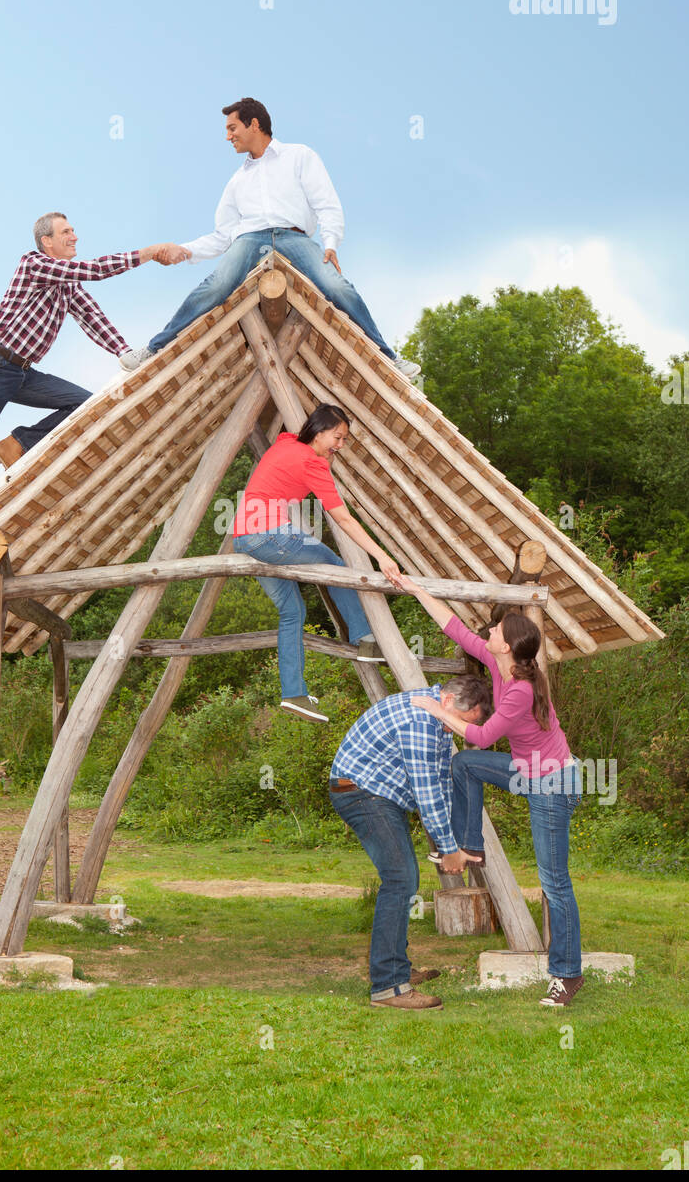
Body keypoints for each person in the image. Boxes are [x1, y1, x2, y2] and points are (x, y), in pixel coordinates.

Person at [0, 214, 174, 551]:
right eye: (67, 232)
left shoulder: (67, 285)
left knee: (84, 403)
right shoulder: (34, 264)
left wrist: (126, 352)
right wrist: (147, 253)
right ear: (47, 241)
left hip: (20, 372)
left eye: (74, 230)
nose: (75, 236)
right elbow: (93, 271)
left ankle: (19, 444)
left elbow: (92, 317)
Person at [139, 98, 420, 378]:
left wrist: (331, 242)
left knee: (335, 286)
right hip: (249, 240)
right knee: (217, 286)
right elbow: (222, 235)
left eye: (232, 127)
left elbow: (327, 204)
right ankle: (154, 349)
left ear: (255, 124)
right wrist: (185, 251)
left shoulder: (300, 156)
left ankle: (389, 358)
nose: (228, 136)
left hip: (293, 238)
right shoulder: (237, 181)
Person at [402, 581, 585, 1010]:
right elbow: (454, 628)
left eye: (497, 629)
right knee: (463, 765)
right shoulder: (496, 661)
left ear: (508, 645)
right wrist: (413, 589)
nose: (489, 631)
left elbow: (482, 736)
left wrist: (439, 710)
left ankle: (567, 974)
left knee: (554, 883)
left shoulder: (521, 689)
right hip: (527, 772)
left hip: (554, 783)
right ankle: (472, 847)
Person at [330, 674, 493, 1010]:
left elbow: (443, 783)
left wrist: (454, 842)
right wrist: (448, 849)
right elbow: (427, 793)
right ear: (447, 701)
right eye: (460, 723)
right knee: (401, 879)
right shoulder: (420, 721)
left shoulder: (438, 719)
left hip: (380, 795)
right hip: (361, 794)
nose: (455, 731)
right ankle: (388, 987)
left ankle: (396, 967)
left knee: (403, 878)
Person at [233, 403, 401, 722]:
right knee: (335, 566)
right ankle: (365, 641)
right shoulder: (313, 463)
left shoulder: (287, 444)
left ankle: (294, 694)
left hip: (244, 538)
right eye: (337, 437)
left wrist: (327, 454)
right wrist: (381, 556)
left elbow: (299, 443)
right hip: (269, 535)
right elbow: (343, 519)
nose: (340, 445)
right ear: (320, 430)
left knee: (292, 610)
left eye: (344, 440)